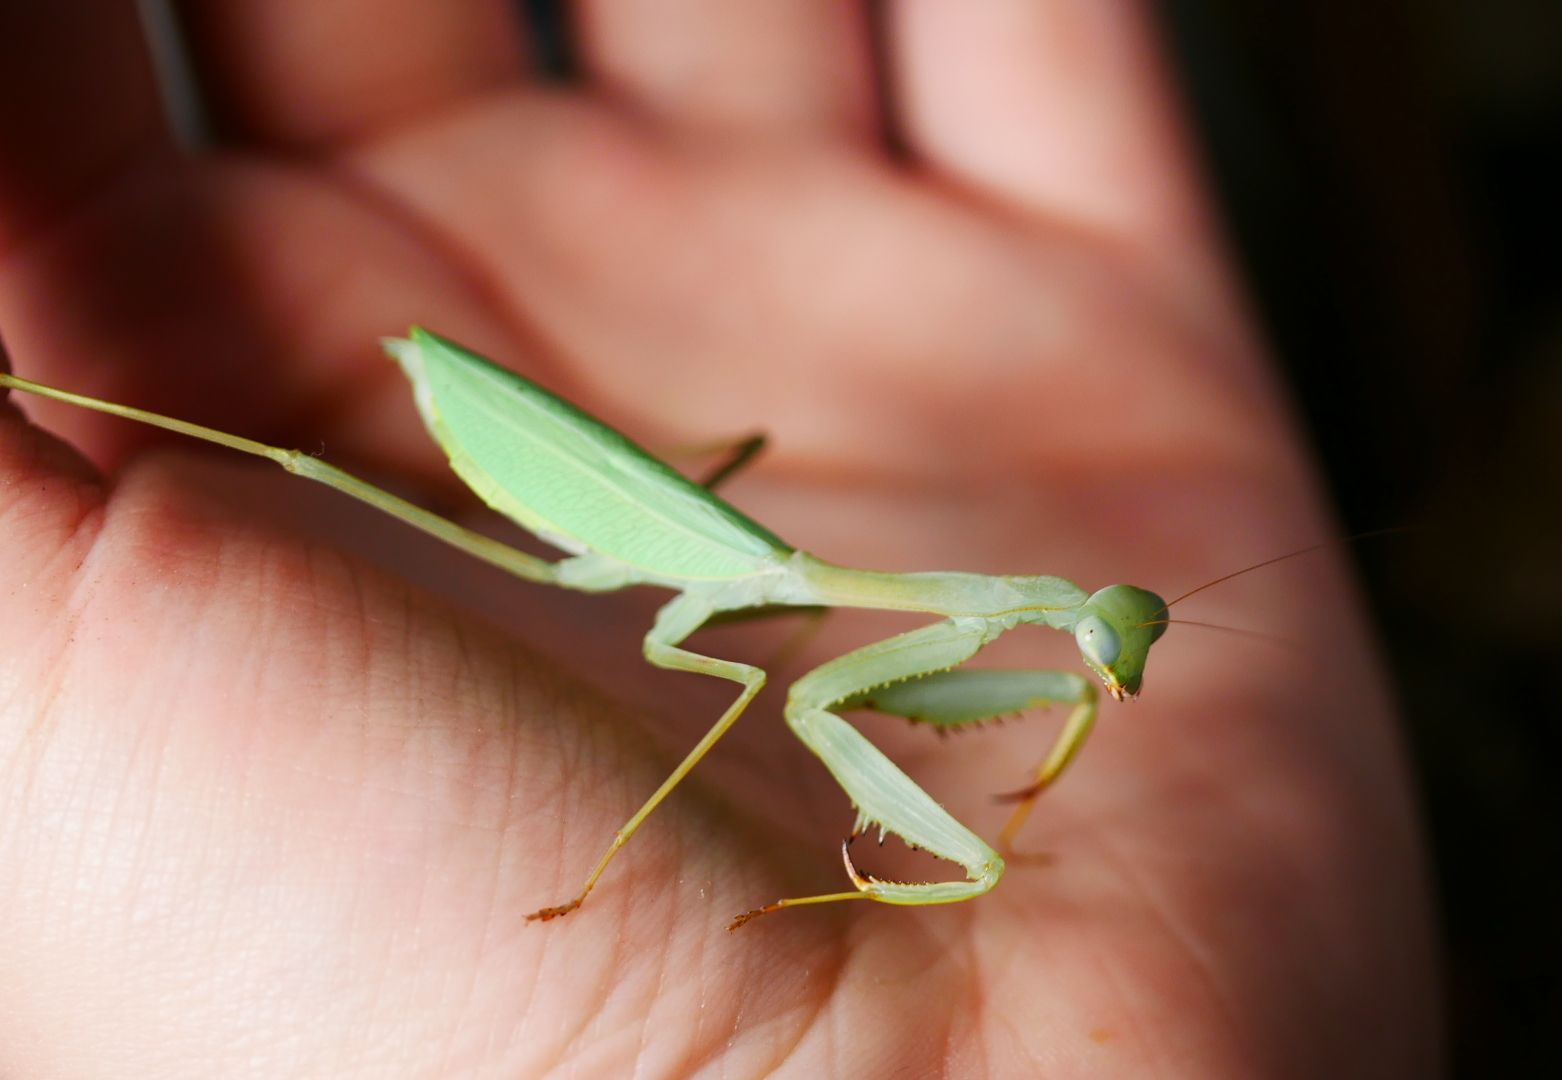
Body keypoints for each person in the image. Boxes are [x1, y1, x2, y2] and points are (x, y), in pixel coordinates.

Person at [0, 3, 1436, 1074]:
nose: (1104, 667)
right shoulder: (918, 623)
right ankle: (40, 384)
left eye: (1109, 646)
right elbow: (815, 691)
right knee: (337, 474)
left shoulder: (1016, 639)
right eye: (1109, 642)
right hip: (547, 473)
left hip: (650, 527)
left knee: (791, 669)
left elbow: (961, 688)